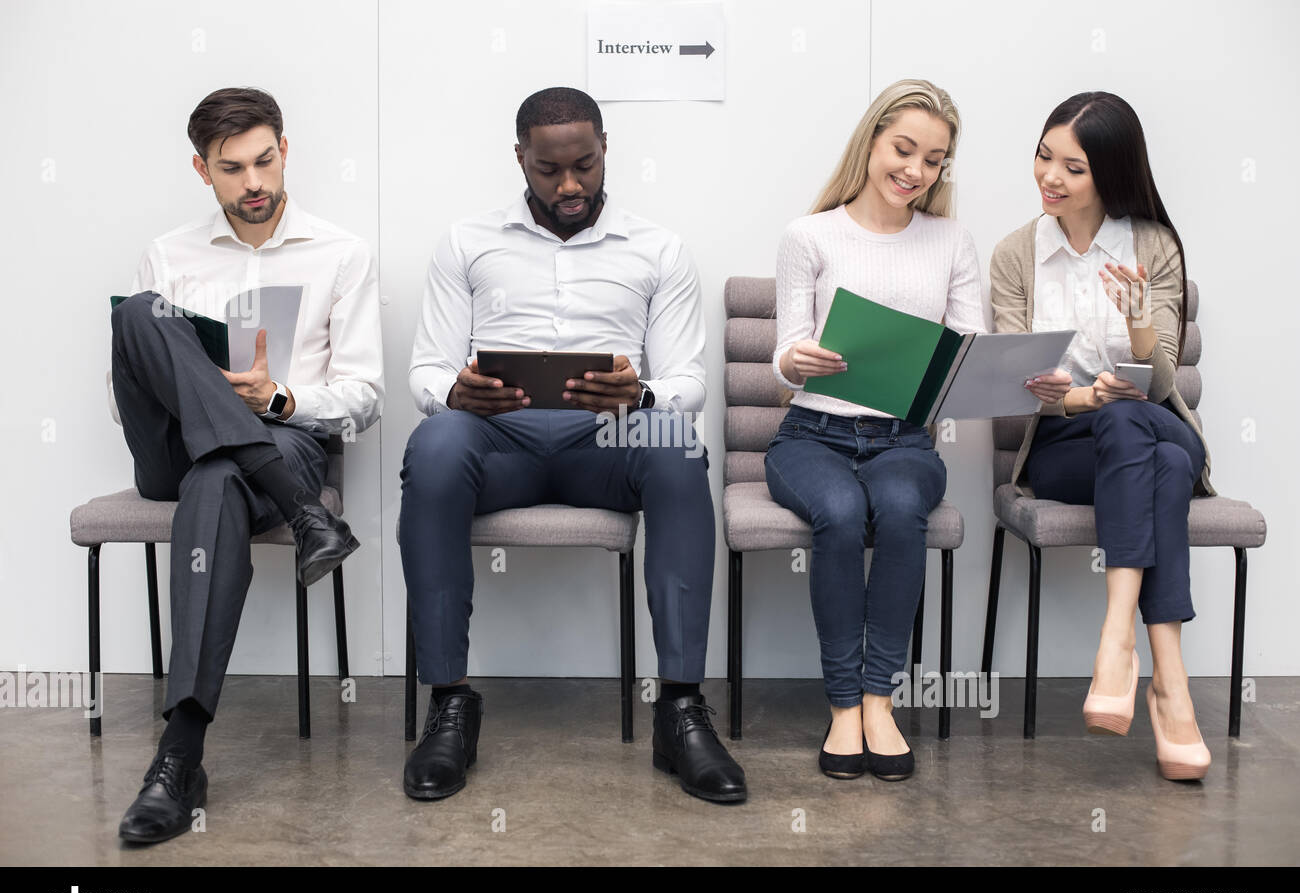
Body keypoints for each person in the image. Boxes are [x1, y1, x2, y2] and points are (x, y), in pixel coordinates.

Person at [399, 87, 745, 803]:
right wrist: (457, 393)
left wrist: (640, 396)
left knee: (676, 445)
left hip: (608, 441)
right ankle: (449, 704)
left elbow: (686, 379)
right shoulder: (468, 242)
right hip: (498, 442)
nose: (568, 186)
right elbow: (426, 369)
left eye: (584, 166)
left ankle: (680, 708)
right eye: (548, 169)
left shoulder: (658, 249)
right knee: (433, 444)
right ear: (519, 158)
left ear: (605, 149)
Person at [110, 87, 385, 842]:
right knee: (138, 314)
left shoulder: (340, 252)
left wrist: (281, 398)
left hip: (286, 437)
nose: (253, 183)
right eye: (232, 169)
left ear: (285, 151)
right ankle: (304, 514)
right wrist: (201, 393)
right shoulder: (167, 255)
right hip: (171, 447)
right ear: (203, 171)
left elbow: (365, 398)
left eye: (265, 161)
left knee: (217, 475)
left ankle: (180, 752)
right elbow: (127, 393)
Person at [989, 91, 1214, 780]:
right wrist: (1083, 396)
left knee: (1136, 423)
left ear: (1110, 173)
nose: (1050, 177)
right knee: (1159, 466)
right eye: (1043, 156)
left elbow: (1163, 378)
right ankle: (1166, 679)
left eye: (1073, 167)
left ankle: (1118, 639)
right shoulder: (1016, 254)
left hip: (1161, 424)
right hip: (1063, 448)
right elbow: (1011, 381)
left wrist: (1142, 323)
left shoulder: (1154, 245)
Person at [765, 79, 984, 782]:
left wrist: (961, 362)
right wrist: (794, 360)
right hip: (811, 436)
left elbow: (971, 348)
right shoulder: (809, 235)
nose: (916, 170)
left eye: (934, 159)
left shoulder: (951, 240)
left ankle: (879, 698)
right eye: (904, 149)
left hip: (905, 442)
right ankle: (842, 707)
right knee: (838, 510)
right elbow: (785, 353)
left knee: (896, 510)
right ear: (872, 142)